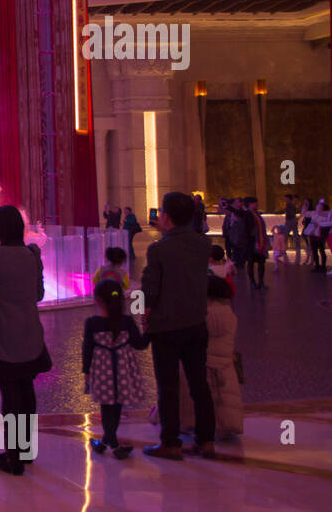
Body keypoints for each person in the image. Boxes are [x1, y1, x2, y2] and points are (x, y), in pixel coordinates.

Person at [0, 205, 50, 475]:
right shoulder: (31, 254)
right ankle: (26, 450)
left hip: (3, 334)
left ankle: (14, 457)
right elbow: (39, 294)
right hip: (30, 333)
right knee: (26, 392)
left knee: (10, 395)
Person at [140, 191, 217, 461]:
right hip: (196, 323)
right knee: (199, 384)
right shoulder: (202, 244)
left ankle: (170, 442)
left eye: (160, 212)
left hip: (166, 327)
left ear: (167, 217)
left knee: (169, 386)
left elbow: (149, 289)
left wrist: (143, 316)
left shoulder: (159, 249)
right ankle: (206, 440)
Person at [83, 280, 148, 459]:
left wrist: (86, 372)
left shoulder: (92, 323)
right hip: (123, 371)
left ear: (97, 299)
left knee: (106, 406)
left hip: (102, 371)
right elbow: (139, 344)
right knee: (117, 405)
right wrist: (148, 330)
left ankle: (111, 442)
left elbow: (87, 348)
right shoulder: (126, 321)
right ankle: (108, 441)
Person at [180, 276, 242, 441]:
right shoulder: (230, 315)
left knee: (200, 398)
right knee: (225, 398)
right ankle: (227, 426)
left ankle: (195, 426)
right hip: (224, 364)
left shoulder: (204, 315)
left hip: (203, 362)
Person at [244, 197, 269, 288]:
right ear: (249, 204)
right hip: (251, 243)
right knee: (250, 262)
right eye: (254, 203)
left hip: (260, 242)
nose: (257, 204)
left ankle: (261, 282)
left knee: (261, 262)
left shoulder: (257, 214)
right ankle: (252, 282)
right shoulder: (247, 214)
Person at [306, 198, 332, 272]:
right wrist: (306, 204)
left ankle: (323, 267)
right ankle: (317, 266)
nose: (317, 207)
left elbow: (328, 223)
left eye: (319, 206)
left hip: (321, 234)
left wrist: (319, 224)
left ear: (323, 208)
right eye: (317, 206)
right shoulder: (314, 214)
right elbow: (305, 213)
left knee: (321, 249)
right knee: (314, 250)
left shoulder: (327, 214)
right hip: (313, 233)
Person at [297, 198, 315, 265]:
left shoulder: (312, 211)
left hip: (310, 227)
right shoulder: (305, 211)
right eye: (304, 203)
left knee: (311, 244)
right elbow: (303, 214)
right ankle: (308, 258)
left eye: (306, 203)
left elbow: (309, 216)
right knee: (307, 244)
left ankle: (312, 259)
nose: (305, 204)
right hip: (306, 227)